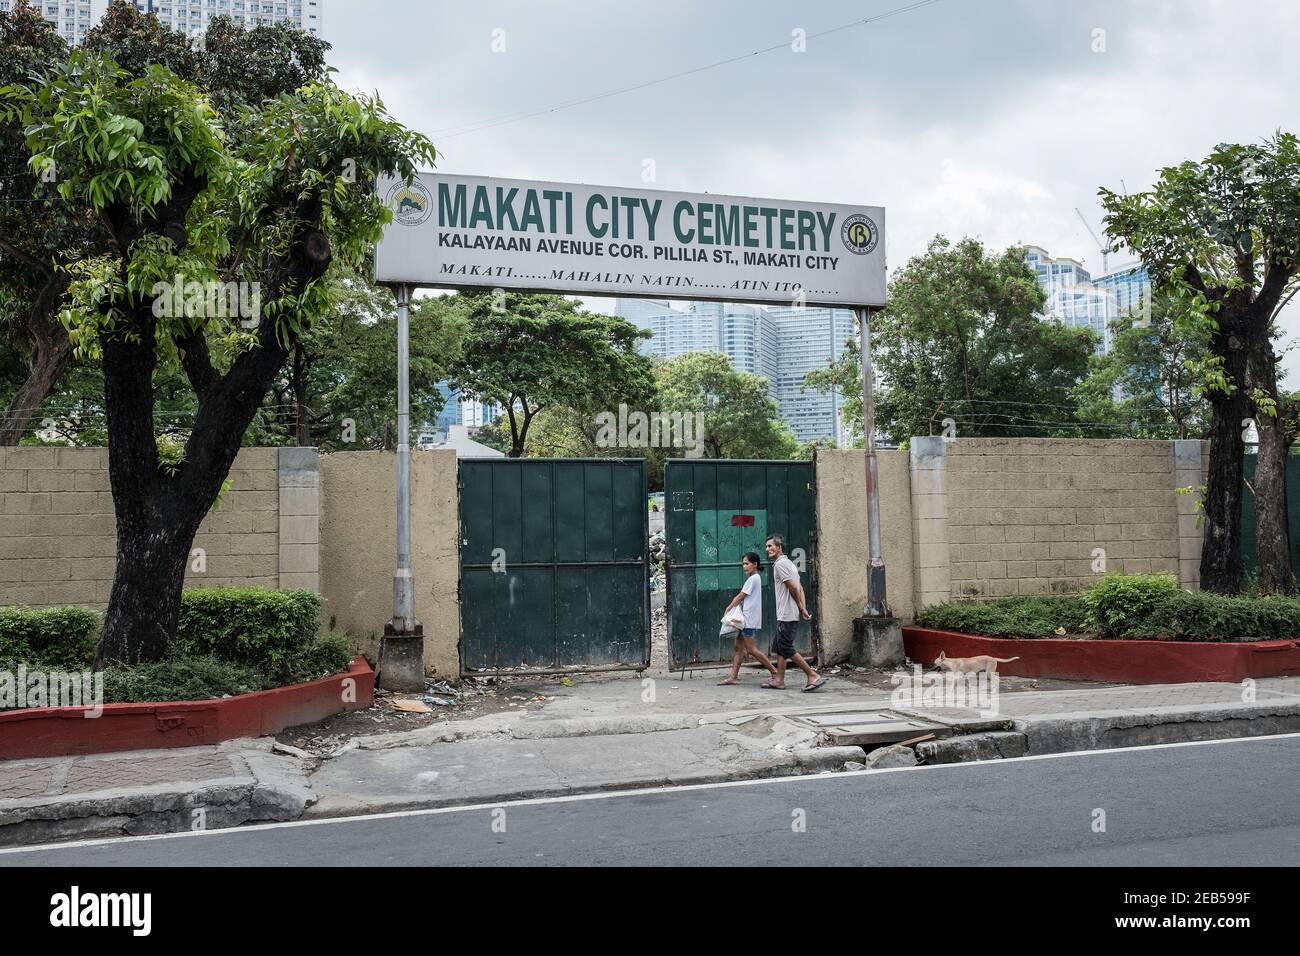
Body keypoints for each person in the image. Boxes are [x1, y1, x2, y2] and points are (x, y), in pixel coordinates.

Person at [763, 534, 826, 691]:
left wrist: (800, 606)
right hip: (788, 613)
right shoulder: (789, 564)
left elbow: (792, 587)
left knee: (786, 647)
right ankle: (779, 680)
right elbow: (800, 587)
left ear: (779, 547)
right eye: (767, 546)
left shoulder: (780, 565)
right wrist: (802, 607)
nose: (768, 549)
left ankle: (812, 675)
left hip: (787, 613)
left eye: (770, 546)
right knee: (780, 647)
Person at [718, 552, 778, 686]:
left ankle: (774, 672)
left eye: (747, 563)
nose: (744, 566)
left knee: (751, 649)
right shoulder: (754, 578)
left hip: (748, 620)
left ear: (755, 564)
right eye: (743, 564)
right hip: (745, 620)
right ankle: (733, 677)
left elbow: (740, 596)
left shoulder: (753, 579)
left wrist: (729, 607)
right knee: (738, 648)